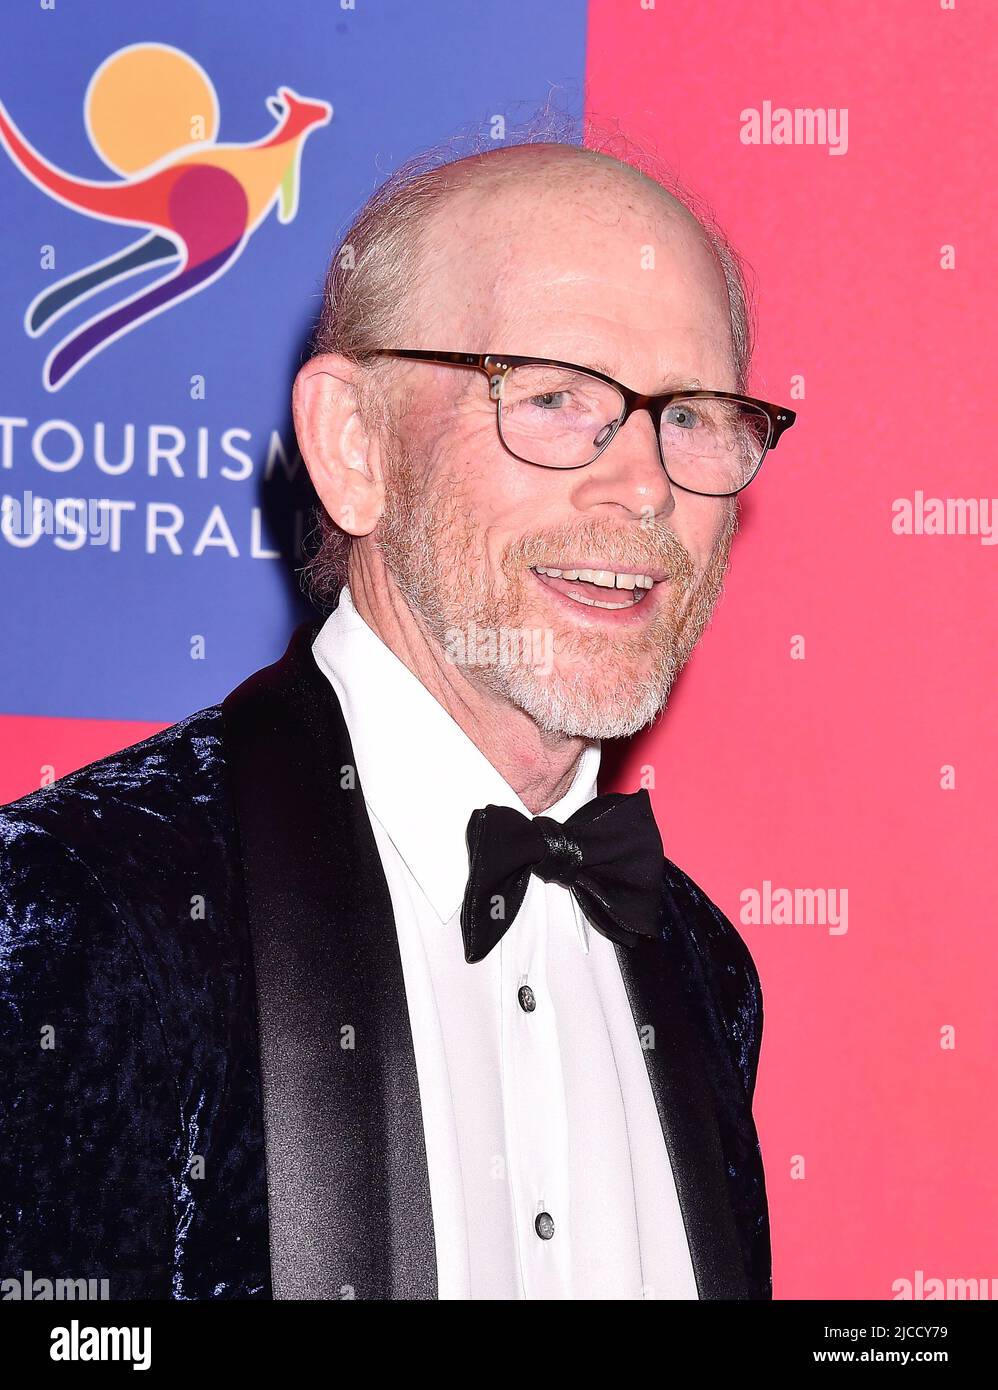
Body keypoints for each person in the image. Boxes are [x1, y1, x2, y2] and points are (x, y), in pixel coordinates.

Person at [0, 137, 795, 1300]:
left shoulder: (701, 966)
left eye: (690, 416)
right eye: (554, 398)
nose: (643, 488)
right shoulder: (85, 902)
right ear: (352, 446)